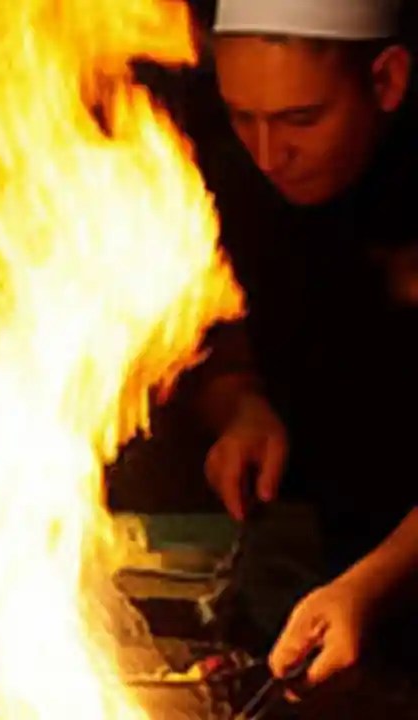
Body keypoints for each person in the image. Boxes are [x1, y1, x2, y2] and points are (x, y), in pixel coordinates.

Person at [196, 0, 418, 694]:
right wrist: (241, 407)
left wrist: (368, 587)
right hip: (320, 574)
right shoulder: (237, 176)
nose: (268, 154)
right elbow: (213, 332)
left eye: (301, 119)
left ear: (386, 80)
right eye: (242, 117)